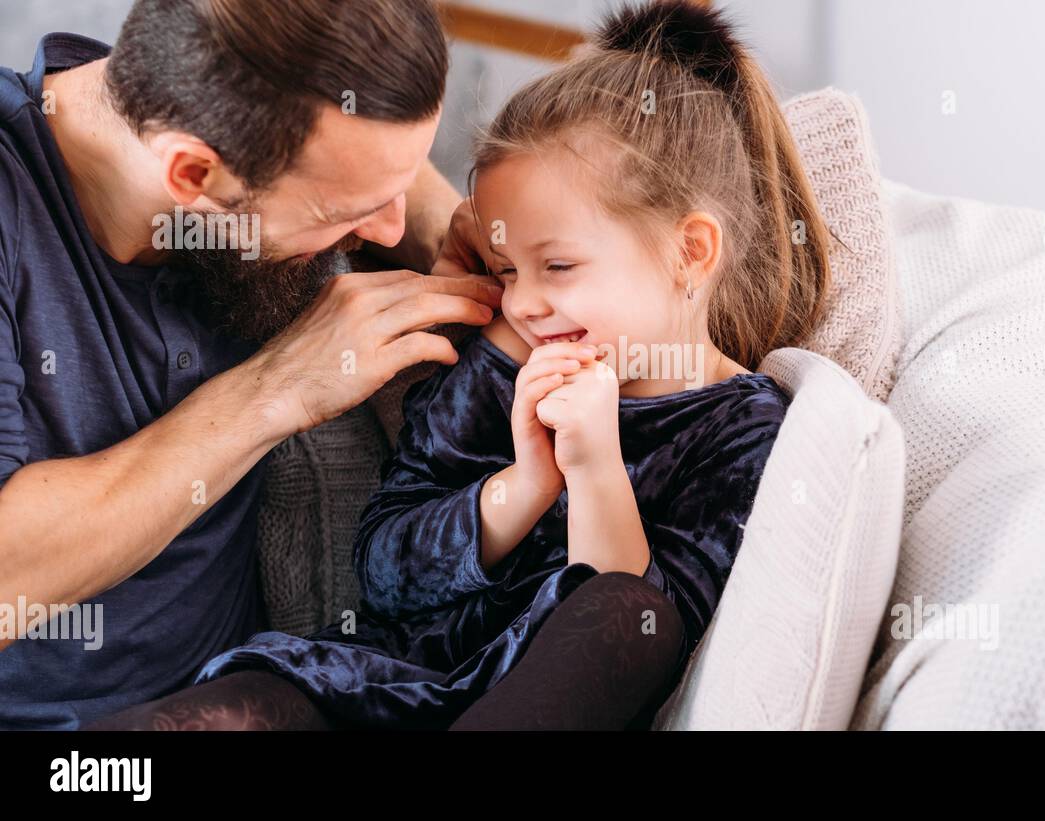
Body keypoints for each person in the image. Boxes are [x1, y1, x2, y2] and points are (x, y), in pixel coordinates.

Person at [86, 0, 833, 731]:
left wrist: (594, 466)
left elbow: (649, 647)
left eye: (560, 265)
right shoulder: (503, 358)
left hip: (536, 700)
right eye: (508, 270)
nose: (528, 303)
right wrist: (525, 485)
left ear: (691, 251)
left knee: (627, 609)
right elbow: (383, 572)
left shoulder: (747, 426)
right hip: (380, 683)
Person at [0, 0, 504, 729]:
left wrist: (444, 227)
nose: (384, 231)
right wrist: (280, 386)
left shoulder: (235, 109)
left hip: (255, 693)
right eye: (348, 211)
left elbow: (349, 140)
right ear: (193, 173)